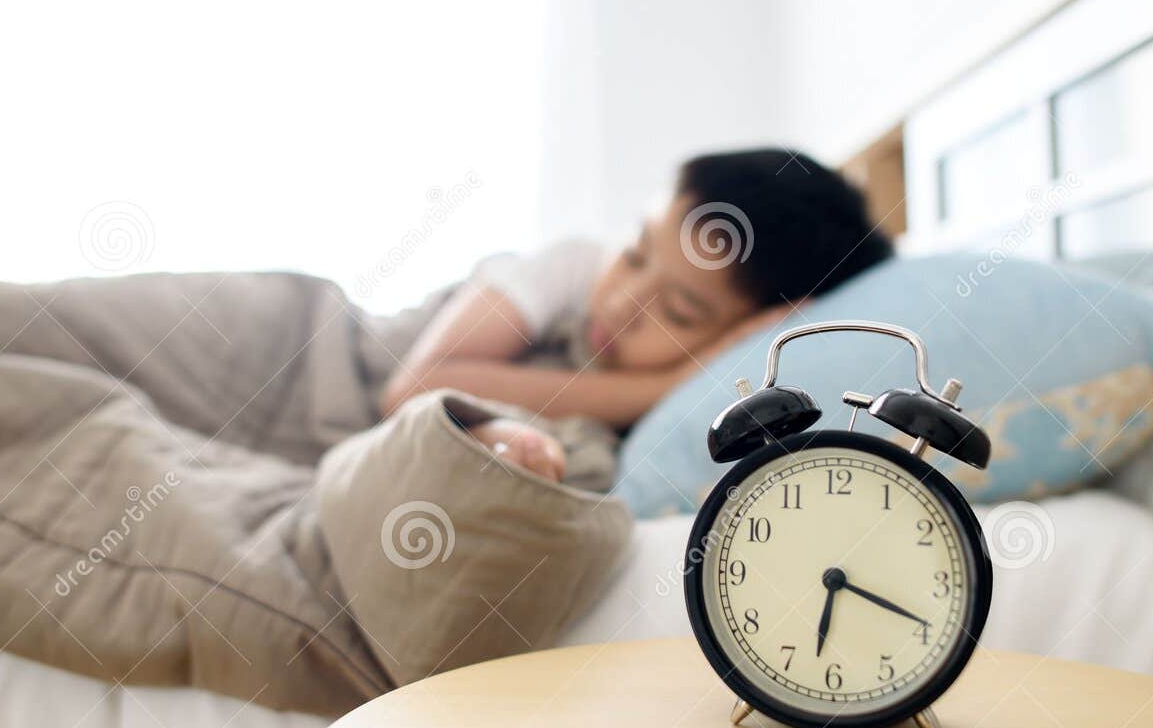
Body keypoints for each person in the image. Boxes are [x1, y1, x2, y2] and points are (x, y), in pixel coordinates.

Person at [382, 148, 892, 480]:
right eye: (635, 253)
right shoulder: (573, 268)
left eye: (678, 311)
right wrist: (659, 385)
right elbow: (410, 389)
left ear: (743, 336)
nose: (622, 303)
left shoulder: (665, 433)